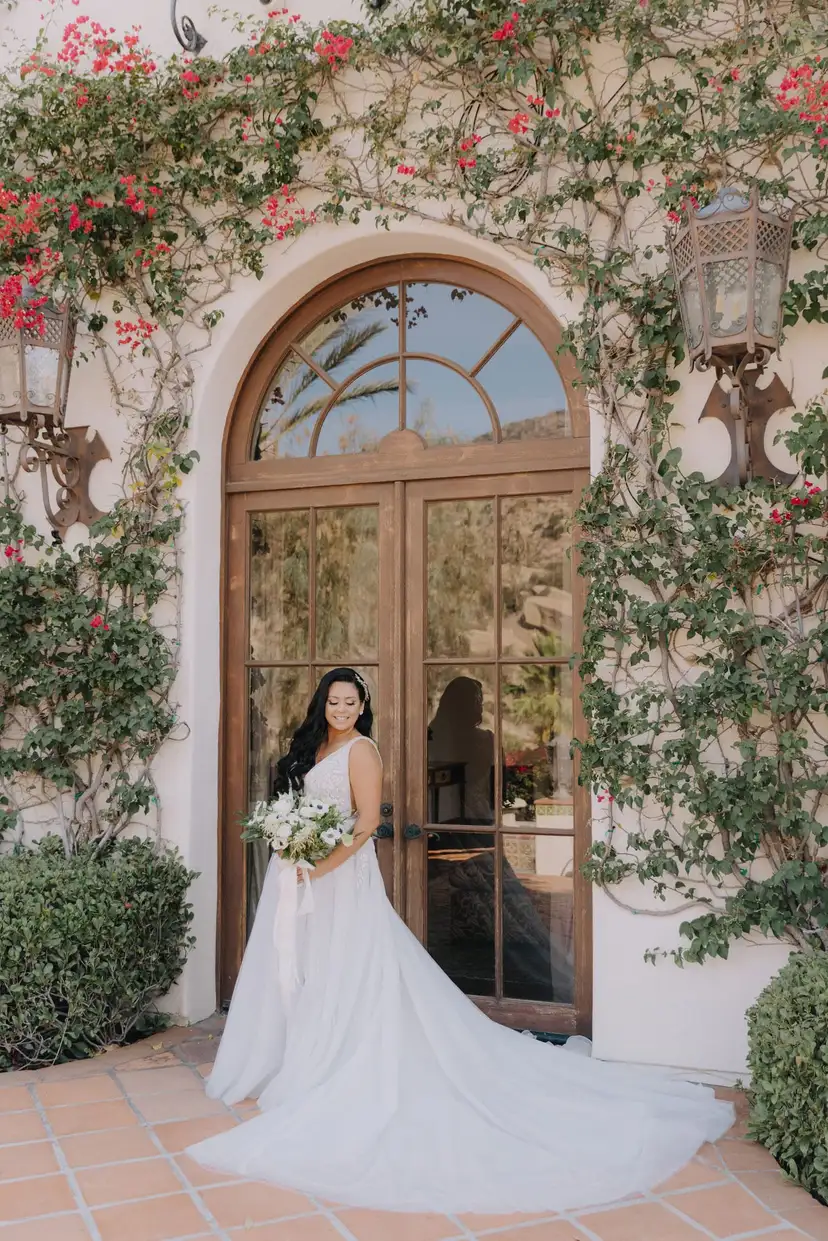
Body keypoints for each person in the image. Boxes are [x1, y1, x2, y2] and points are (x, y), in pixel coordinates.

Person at [187, 667, 734, 1215]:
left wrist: (321, 866)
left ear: (363, 704)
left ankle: (341, 1058)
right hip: (306, 879)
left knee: (351, 963)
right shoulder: (315, 746)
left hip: (340, 881)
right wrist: (292, 847)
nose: (342, 709)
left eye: (351, 702)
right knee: (311, 965)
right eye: (334, 701)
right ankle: (301, 1051)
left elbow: (365, 825)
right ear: (322, 703)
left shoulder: (362, 751)